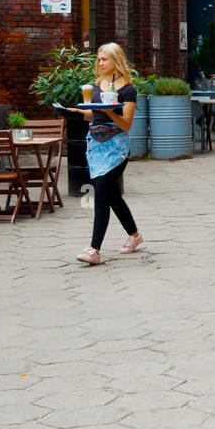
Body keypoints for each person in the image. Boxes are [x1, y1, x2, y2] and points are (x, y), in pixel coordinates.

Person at [64, 42, 143, 265]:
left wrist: (110, 111)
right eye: (98, 59)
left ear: (116, 60)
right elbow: (93, 116)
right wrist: (75, 112)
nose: (99, 63)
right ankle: (135, 236)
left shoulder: (128, 89)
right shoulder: (97, 85)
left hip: (116, 146)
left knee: (101, 195)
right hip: (96, 146)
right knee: (112, 197)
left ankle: (94, 249)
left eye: (104, 59)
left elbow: (126, 124)